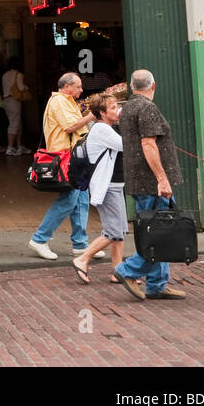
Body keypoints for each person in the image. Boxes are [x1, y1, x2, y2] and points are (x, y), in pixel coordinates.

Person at [114, 70, 187, 300]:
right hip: (150, 183)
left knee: (157, 228)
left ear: (132, 87)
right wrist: (162, 179)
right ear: (153, 85)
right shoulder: (147, 108)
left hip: (137, 179)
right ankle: (128, 270)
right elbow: (148, 144)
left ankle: (156, 284)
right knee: (160, 233)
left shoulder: (126, 108)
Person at [27, 72, 95, 261]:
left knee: (81, 199)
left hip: (75, 157)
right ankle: (39, 239)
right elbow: (70, 126)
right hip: (65, 157)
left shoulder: (67, 101)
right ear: (67, 86)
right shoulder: (59, 102)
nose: (81, 90)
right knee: (69, 200)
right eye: (78, 86)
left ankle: (80, 244)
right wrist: (91, 116)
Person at [72, 92, 127, 283]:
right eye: (112, 108)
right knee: (113, 231)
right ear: (102, 113)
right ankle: (82, 258)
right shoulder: (101, 129)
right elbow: (125, 145)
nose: (117, 110)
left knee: (119, 230)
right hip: (108, 187)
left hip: (116, 186)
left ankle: (118, 271)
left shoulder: (109, 128)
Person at [0, 58, 32, 155]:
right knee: (14, 123)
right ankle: (10, 147)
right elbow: (21, 87)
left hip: (5, 100)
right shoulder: (18, 74)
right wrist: (27, 87)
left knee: (16, 123)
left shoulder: (5, 75)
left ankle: (19, 146)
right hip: (14, 100)